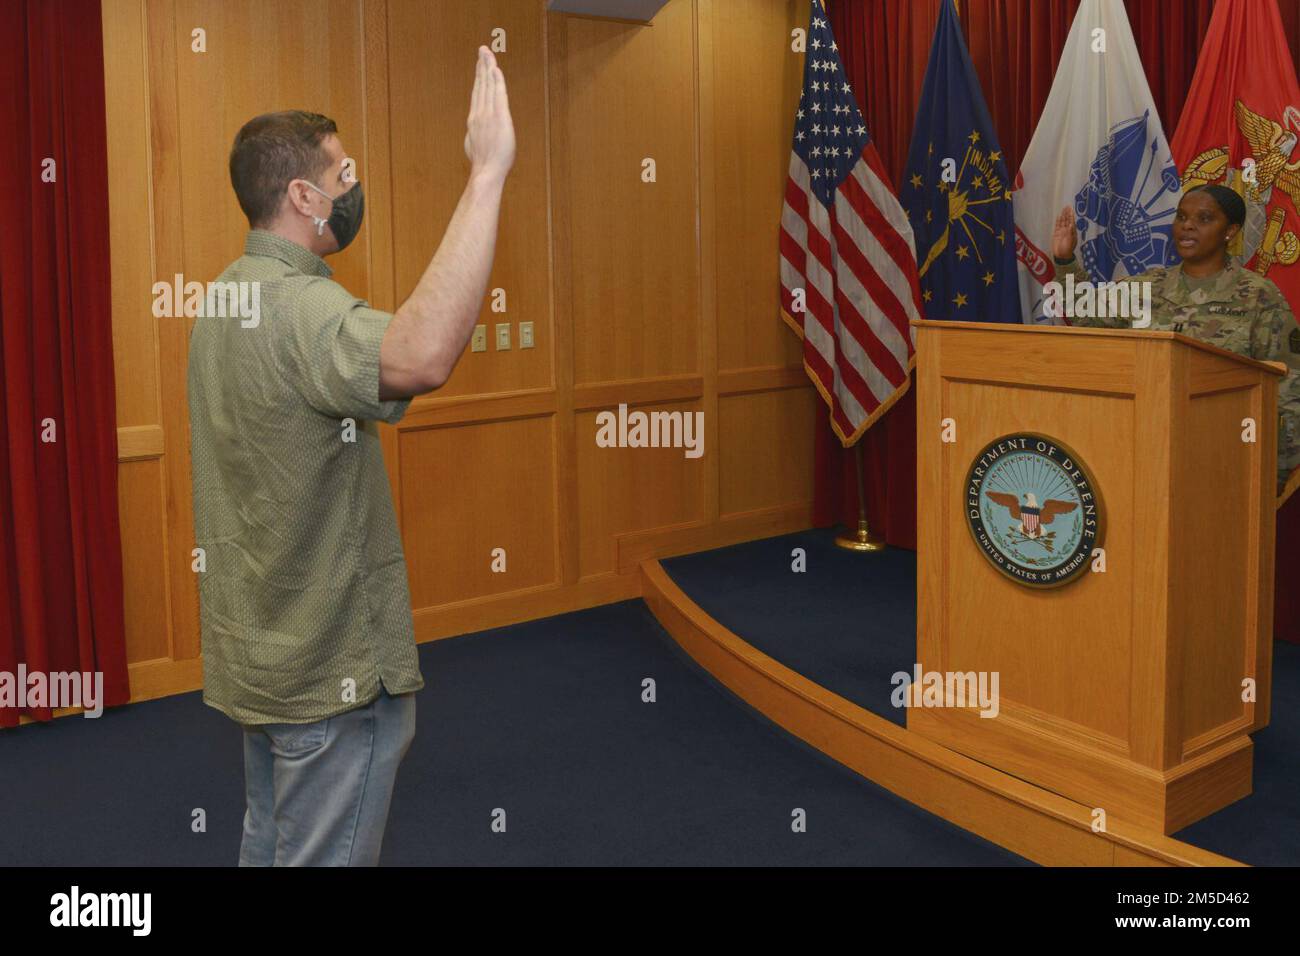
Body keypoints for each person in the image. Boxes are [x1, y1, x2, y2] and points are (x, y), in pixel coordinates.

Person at [186, 47, 516, 865]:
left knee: (269, 840)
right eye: (344, 172)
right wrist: (486, 176)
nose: (353, 185)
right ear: (303, 195)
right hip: (327, 672)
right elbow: (420, 355)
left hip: (261, 658)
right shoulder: (301, 308)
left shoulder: (221, 299)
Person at [1051, 185, 1300, 496]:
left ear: (1231, 231)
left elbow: (1288, 387)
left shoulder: (1258, 297)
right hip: (1144, 454)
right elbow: (1086, 316)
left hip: (1225, 462)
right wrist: (1064, 261)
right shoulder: (1150, 286)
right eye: (1182, 216)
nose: (1188, 225)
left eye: (1204, 218)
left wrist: (1273, 472)